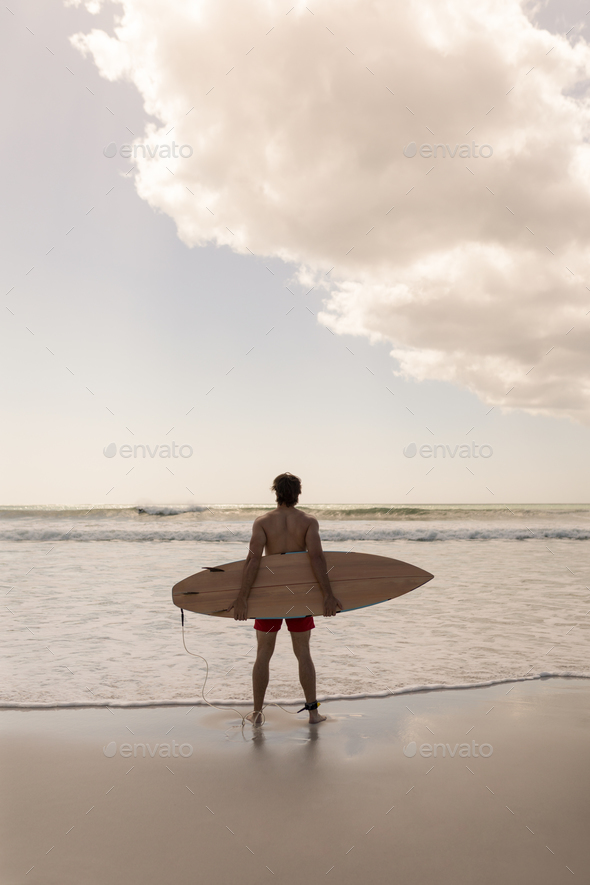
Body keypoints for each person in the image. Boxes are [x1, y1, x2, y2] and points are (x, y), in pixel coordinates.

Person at [229, 473, 342, 725]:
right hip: (299, 597)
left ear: (275, 492)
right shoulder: (308, 522)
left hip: (270, 596)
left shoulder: (263, 522)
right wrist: (328, 595)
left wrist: (243, 598)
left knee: (263, 654)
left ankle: (257, 714)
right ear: (298, 493)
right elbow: (317, 559)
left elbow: (253, 560)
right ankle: (313, 713)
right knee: (303, 653)